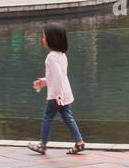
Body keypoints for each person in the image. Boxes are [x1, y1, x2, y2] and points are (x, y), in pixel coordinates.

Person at [27, 23, 85, 156]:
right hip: (66, 93)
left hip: (56, 96)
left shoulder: (51, 57)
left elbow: (58, 77)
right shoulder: (62, 55)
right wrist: (44, 82)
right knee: (68, 117)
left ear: (51, 39)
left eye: (44, 37)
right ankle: (79, 143)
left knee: (47, 117)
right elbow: (58, 77)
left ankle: (42, 145)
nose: (42, 39)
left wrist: (58, 96)